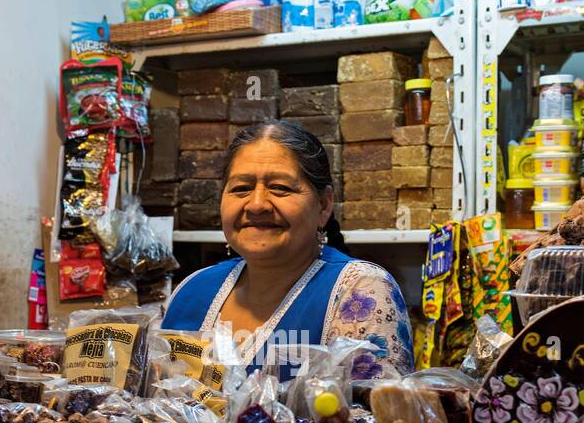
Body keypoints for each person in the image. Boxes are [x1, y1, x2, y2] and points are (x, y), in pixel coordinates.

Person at [162, 120, 413, 380]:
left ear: (324, 206)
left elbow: (378, 415)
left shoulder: (358, 290)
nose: (256, 205)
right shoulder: (192, 289)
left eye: (280, 188)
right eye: (241, 188)